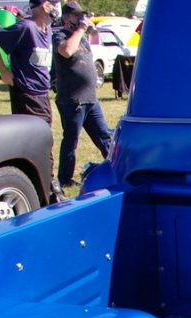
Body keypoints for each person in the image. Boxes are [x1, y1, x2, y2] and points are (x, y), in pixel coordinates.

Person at [0, 0, 63, 197]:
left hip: (42, 94)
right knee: (36, 142)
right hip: (27, 94)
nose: (56, 7)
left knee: (45, 140)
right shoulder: (26, 27)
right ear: (44, 6)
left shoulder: (47, 30)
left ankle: (48, 185)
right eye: (54, 3)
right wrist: (3, 71)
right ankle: (46, 189)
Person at [53, 1, 113, 188]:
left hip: (90, 98)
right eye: (77, 15)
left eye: (82, 15)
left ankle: (116, 168)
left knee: (104, 135)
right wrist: (80, 30)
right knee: (71, 139)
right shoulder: (59, 35)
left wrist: (87, 31)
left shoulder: (83, 38)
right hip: (72, 100)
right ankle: (65, 178)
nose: (81, 18)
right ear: (66, 18)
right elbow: (67, 51)